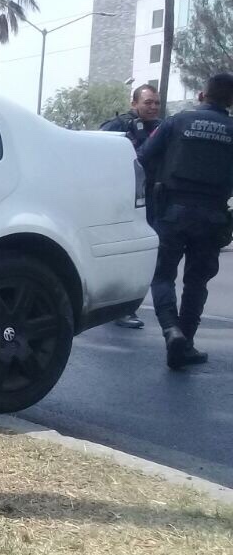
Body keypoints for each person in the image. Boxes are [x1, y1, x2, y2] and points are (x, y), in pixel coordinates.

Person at [137, 73, 233, 370]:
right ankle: (185, 343)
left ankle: (171, 330)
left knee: (162, 275)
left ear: (202, 95)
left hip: (172, 211)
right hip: (214, 215)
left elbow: (143, 157)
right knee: (197, 282)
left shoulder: (177, 122)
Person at [101, 83, 163, 329]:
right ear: (134, 103)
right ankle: (116, 307)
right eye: (148, 102)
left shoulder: (161, 128)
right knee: (123, 254)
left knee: (143, 255)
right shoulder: (117, 126)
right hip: (121, 199)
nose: (153, 107)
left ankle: (124, 306)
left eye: (156, 103)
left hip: (151, 200)